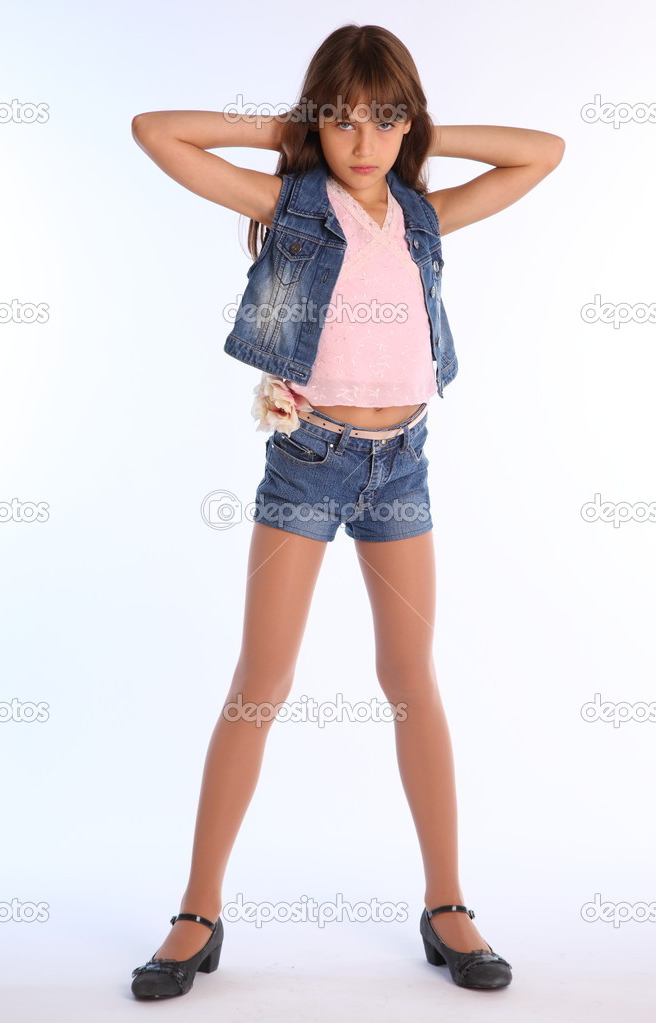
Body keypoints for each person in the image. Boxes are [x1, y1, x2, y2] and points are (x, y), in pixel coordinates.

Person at [129, 22, 564, 999]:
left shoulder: (421, 216)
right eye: (343, 120)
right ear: (315, 125)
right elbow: (154, 129)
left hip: (401, 465)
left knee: (411, 676)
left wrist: (419, 137)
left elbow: (545, 152)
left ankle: (447, 902)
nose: (363, 140)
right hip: (308, 462)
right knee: (261, 681)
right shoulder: (289, 205)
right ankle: (196, 913)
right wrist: (290, 128)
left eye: (385, 119)